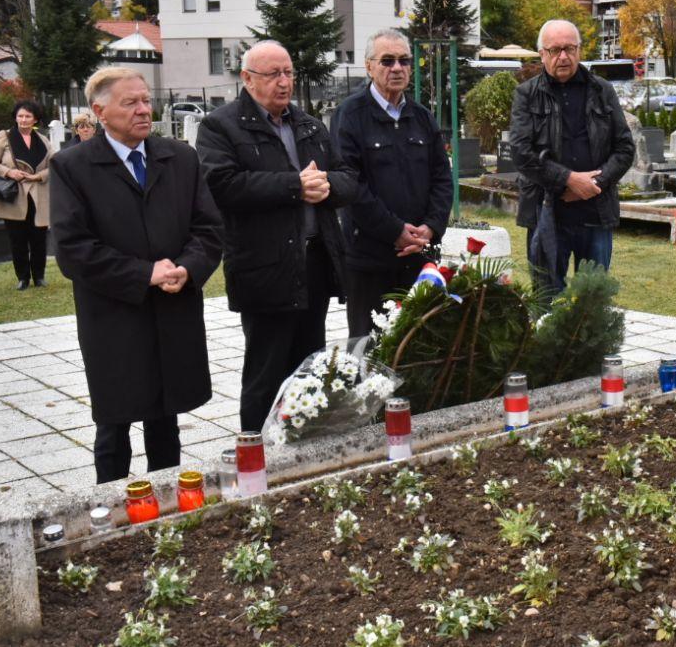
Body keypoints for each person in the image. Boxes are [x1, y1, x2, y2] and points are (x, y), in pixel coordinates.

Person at [51, 67, 222, 483]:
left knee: (166, 418)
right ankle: (109, 508)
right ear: (99, 112)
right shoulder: (72, 166)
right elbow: (73, 250)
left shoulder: (179, 157)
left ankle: (168, 505)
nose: (144, 110)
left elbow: (209, 228)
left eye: (146, 100)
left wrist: (188, 267)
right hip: (114, 318)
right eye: (131, 103)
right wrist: (143, 273)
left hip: (171, 309)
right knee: (115, 421)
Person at [198, 40, 358, 432]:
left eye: (288, 72)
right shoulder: (221, 125)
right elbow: (221, 185)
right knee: (266, 369)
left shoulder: (307, 124)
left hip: (315, 263)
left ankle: (304, 441)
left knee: (309, 364)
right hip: (264, 267)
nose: (284, 82)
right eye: (274, 74)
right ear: (248, 79)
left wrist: (327, 186)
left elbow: (348, 177)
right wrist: (294, 186)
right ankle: (255, 451)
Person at [330, 28, 453, 338]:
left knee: (421, 346)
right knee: (368, 350)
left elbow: (442, 177)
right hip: (370, 259)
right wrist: (395, 231)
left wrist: (431, 227)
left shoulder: (422, 117)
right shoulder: (350, 115)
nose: (397, 68)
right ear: (369, 66)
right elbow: (351, 186)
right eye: (387, 61)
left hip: (420, 257)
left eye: (404, 60)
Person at [509, 19, 634, 294]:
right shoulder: (527, 95)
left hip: (596, 210)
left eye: (569, 48)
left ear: (579, 50)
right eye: (555, 50)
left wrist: (592, 185)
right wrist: (568, 180)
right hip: (547, 211)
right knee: (547, 299)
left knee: (592, 303)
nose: (563, 56)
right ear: (542, 54)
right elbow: (521, 152)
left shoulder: (602, 90)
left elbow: (625, 148)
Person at [0, 100, 52, 290]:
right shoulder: (3, 137)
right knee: (17, 239)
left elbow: (54, 165)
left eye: (28, 116)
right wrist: (9, 172)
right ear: (15, 117)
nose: (23, 120)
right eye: (20, 116)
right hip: (14, 196)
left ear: (35, 119)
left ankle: (39, 276)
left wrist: (39, 176)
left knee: (39, 239)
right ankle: (23, 278)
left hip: (38, 196)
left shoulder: (43, 139)